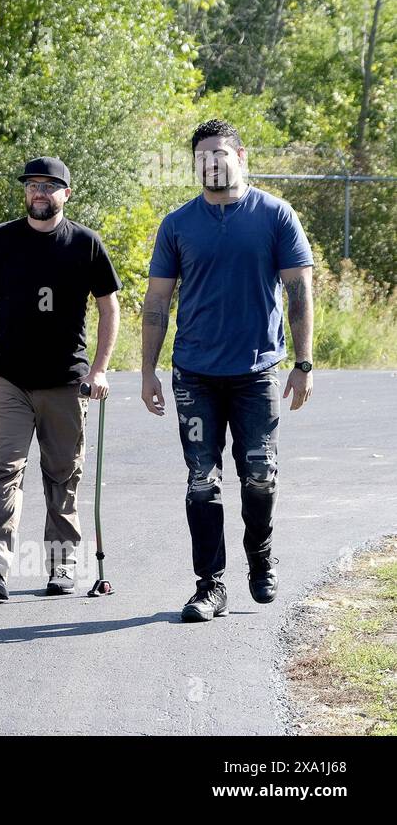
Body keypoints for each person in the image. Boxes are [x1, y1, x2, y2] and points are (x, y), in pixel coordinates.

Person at [142, 119, 314, 623]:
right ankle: (210, 585)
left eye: (220, 153)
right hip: (193, 373)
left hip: (256, 371)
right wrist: (148, 370)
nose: (211, 163)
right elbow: (156, 302)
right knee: (202, 479)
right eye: (202, 156)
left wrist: (303, 364)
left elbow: (300, 292)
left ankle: (260, 556)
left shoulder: (275, 215)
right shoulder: (177, 224)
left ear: (241, 156)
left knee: (259, 474)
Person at [0, 157, 121, 600]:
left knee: (63, 474)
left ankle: (62, 566)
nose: (39, 193)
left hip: (66, 380)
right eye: (32, 185)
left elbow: (109, 308)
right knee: (6, 467)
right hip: (10, 377)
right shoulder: (0, 240)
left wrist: (99, 369)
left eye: (49, 186)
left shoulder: (85, 244)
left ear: (66, 193)